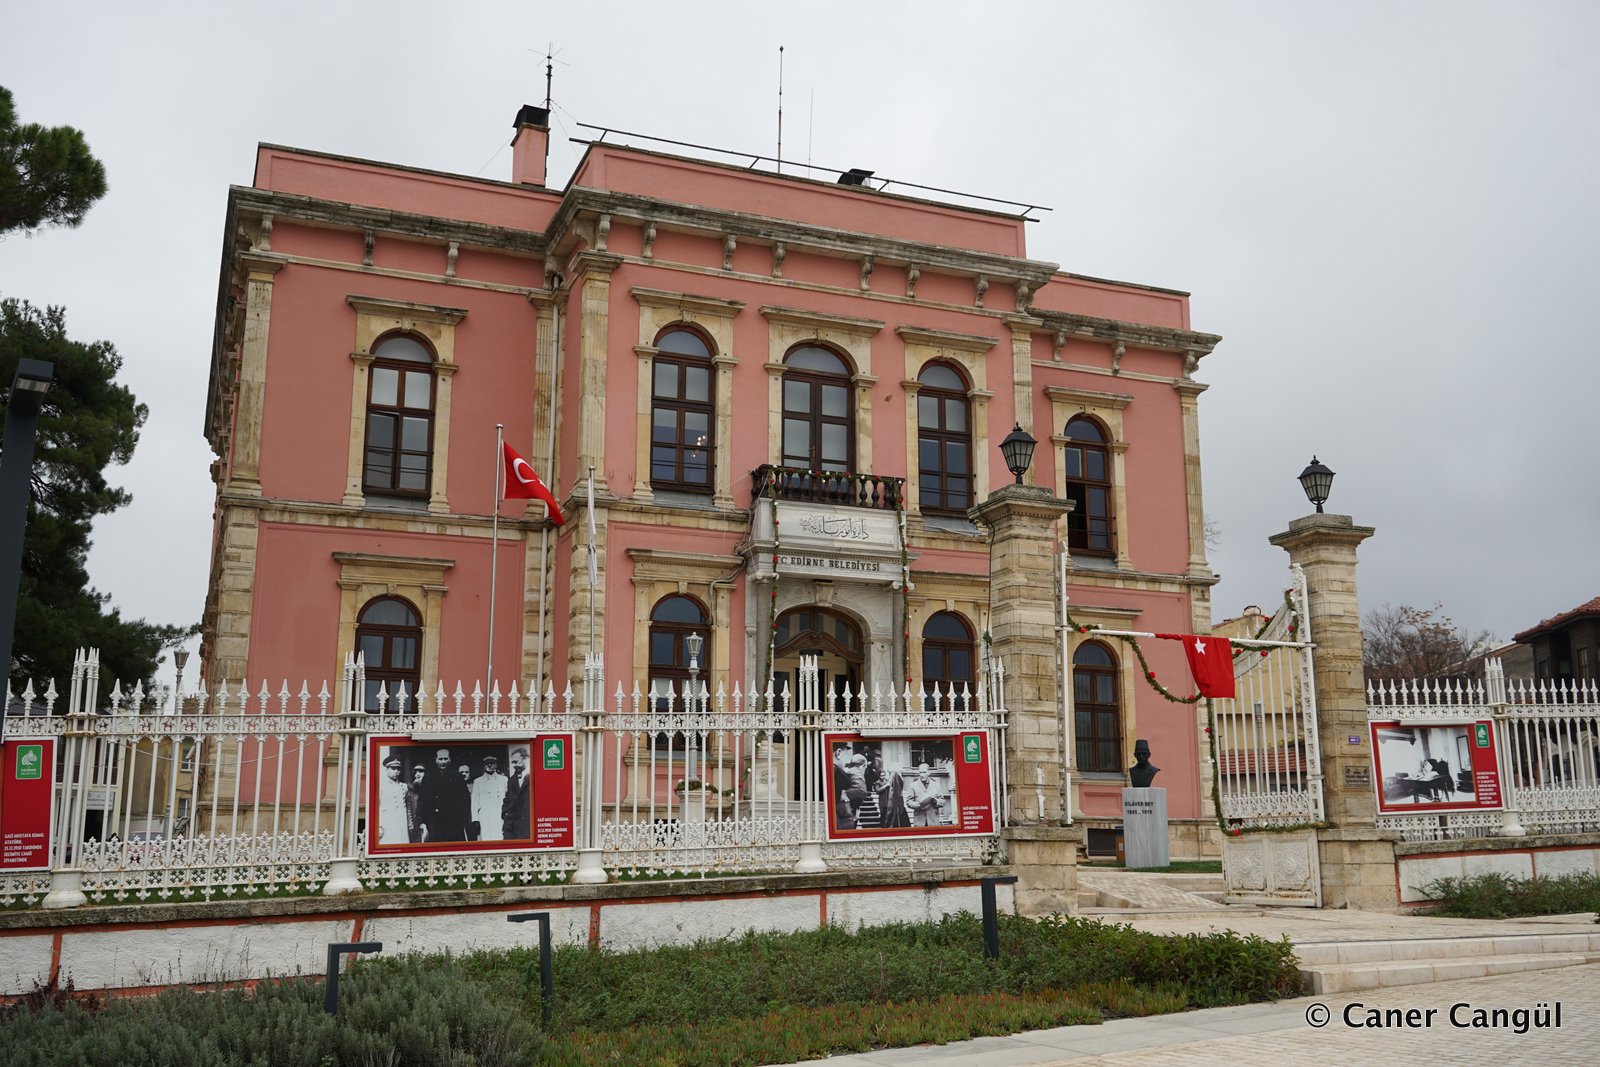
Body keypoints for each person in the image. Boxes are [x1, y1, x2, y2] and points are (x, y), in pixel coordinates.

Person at [421, 747, 471, 842]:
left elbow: (465, 800)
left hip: (454, 823)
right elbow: (423, 801)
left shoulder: (457, 777)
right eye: (440, 759)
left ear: (450, 759)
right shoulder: (428, 778)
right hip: (435, 823)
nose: (443, 762)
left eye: (445, 758)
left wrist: (461, 819)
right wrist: (424, 821)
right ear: (436, 760)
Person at [472, 754, 509, 841]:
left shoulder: (504, 779)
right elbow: (474, 801)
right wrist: (475, 819)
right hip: (484, 816)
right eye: (486, 763)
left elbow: (508, 798)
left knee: (500, 837)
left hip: (499, 815)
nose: (489, 765)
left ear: (496, 764)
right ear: (483, 765)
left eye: (492, 763)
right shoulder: (478, 781)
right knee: (486, 838)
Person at [377, 753, 410, 845]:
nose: (396, 771)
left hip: (402, 823)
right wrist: (378, 826)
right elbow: (375, 807)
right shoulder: (381, 786)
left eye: (398, 769)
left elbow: (408, 807)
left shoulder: (404, 786)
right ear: (386, 769)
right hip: (387, 824)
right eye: (393, 768)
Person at [502, 746, 532, 839]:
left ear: (525, 758)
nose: (514, 765)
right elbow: (507, 801)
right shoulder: (511, 781)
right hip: (513, 829)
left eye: (516, 762)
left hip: (530, 827)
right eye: (512, 762)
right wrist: (504, 814)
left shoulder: (536, 777)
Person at [405, 764, 427, 843]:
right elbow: (409, 810)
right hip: (416, 826)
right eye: (415, 772)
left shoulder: (431, 789)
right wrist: (411, 827)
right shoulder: (410, 791)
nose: (417, 774)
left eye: (421, 771)